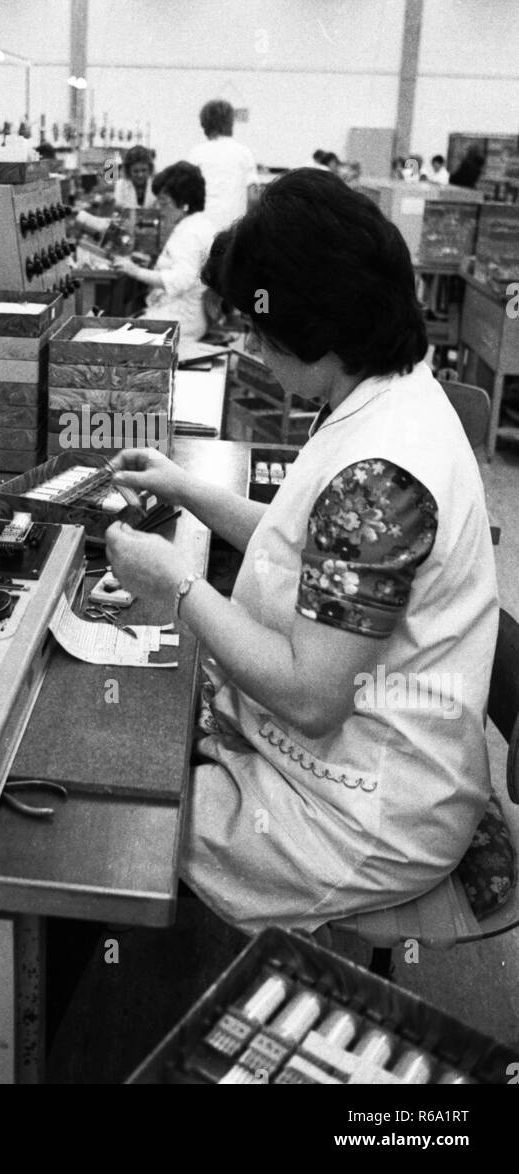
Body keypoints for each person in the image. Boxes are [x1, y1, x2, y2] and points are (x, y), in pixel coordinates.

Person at [105, 167, 498, 933]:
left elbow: (312, 700)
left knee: (128, 827)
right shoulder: (387, 391)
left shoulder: (382, 474)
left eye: (258, 330)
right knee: (153, 752)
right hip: (372, 758)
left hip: (364, 812)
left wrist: (179, 586)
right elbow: (312, 555)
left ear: (315, 329)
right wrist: (189, 490)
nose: (250, 344)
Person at [112, 160, 215, 347]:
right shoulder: (197, 223)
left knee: (115, 341)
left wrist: (134, 271)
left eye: (164, 201)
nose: (159, 208)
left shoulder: (190, 233)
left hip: (180, 320)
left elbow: (181, 279)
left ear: (184, 202)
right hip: (186, 314)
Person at [187, 99, 256, 231]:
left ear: (204, 125)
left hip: (201, 229)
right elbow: (253, 197)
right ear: (230, 123)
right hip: (234, 230)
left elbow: (186, 194)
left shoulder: (195, 154)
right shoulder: (244, 153)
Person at [113, 144, 156, 211]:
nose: (140, 175)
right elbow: (119, 208)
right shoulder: (120, 185)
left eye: (144, 170)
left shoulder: (157, 185)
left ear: (150, 169)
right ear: (128, 171)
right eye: (136, 171)